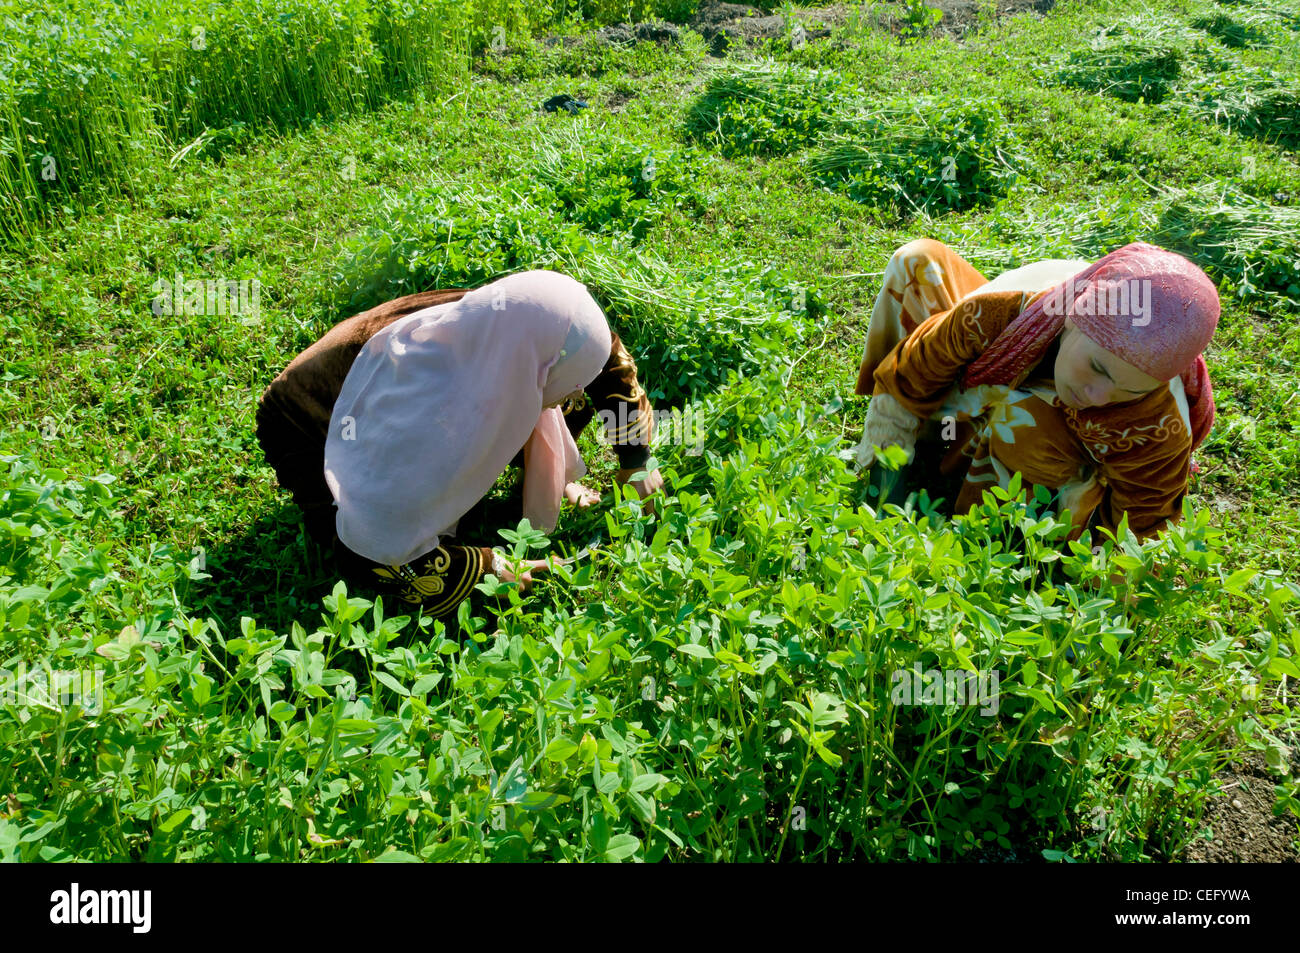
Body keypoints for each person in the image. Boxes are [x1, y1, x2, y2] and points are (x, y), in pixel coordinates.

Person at [255, 269, 664, 619]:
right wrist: (486, 567)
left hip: (400, 364)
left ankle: (537, 466)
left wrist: (636, 459)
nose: (573, 402)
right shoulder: (428, 410)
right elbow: (376, 544)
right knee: (343, 526)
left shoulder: (510, 319)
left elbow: (595, 347)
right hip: (307, 424)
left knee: (555, 383)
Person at [852, 238, 1218, 547]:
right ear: (1073, 319)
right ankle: (935, 448)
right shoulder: (1000, 312)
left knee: (1025, 411)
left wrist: (1095, 593)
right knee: (916, 261)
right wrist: (887, 498)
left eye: (1129, 389)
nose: (1099, 395)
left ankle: (993, 532)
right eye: (1098, 368)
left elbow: (1143, 526)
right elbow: (910, 373)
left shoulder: (1158, 420)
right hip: (972, 398)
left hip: (1055, 470)